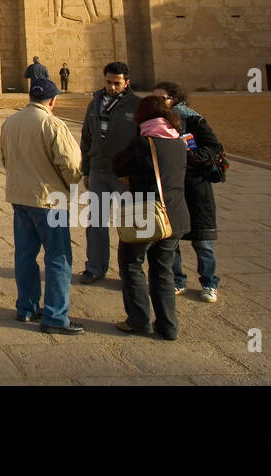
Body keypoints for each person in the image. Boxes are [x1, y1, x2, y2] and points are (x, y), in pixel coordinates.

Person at [0, 78, 86, 334]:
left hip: (20, 197)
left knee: (25, 255)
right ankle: (56, 317)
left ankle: (26, 308)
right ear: (52, 101)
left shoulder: (10, 122)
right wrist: (72, 182)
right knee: (58, 257)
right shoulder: (52, 124)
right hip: (49, 200)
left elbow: (5, 157)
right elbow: (71, 165)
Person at [111, 94, 190, 340]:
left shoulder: (144, 143)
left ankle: (138, 320)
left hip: (147, 214)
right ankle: (168, 326)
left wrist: (132, 178)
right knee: (163, 270)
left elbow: (118, 166)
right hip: (174, 215)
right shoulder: (179, 142)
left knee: (131, 263)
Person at [153, 81, 223, 303]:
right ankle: (177, 280)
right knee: (171, 237)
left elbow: (214, 147)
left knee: (202, 240)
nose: (158, 103)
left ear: (174, 99)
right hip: (173, 187)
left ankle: (209, 283)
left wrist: (187, 157)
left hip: (196, 186)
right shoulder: (156, 123)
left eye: (161, 98)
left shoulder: (194, 119)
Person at [77, 61, 140, 284]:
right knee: (96, 221)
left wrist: (135, 173)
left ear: (127, 83)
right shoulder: (95, 103)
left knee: (127, 223)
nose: (112, 87)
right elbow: (86, 137)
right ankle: (95, 266)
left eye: (117, 83)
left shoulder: (136, 106)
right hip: (98, 170)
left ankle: (129, 270)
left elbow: (142, 144)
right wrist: (86, 169)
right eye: (109, 82)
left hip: (123, 175)